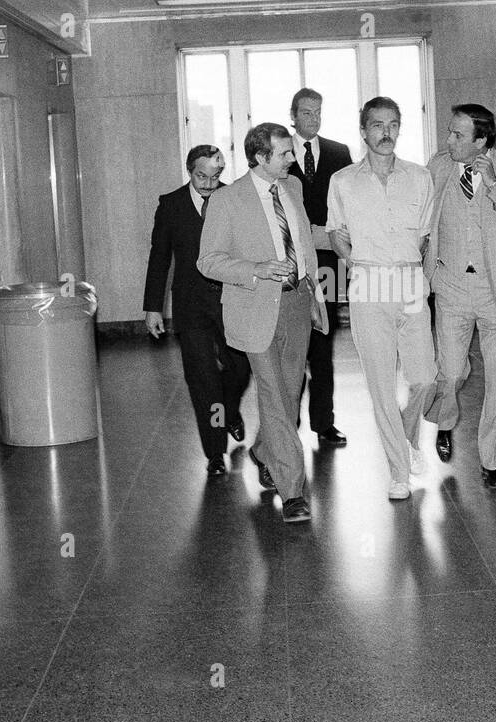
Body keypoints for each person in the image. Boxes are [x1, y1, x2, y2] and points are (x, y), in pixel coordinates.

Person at [198, 124, 329, 523]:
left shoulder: (292, 189)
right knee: (273, 394)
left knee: (289, 396)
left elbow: (304, 237)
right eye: (285, 154)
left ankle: (262, 451)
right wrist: (257, 269)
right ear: (260, 158)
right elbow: (208, 261)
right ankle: (293, 493)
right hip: (255, 308)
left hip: (297, 304)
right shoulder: (227, 200)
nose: (293, 160)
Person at [423, 104, 496, 489]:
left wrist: (494, 184)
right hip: (452, 287)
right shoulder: (437, 167)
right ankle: (445, 419)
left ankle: (493, 460)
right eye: (450, 132)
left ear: (481, 140)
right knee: (452, 371)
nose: (449, 141)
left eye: (458, 135)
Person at [327, 97, 437, 501]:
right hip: (369, 285)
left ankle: (408, 438)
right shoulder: (343, 181)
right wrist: (353, 260)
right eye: (377, 125)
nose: (385, 132)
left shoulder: (420, 177)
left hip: (409, 282)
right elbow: (336, 231)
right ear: (364, 131)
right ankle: (398, 472)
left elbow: (424, 235)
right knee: (381, 387)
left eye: (393, 124)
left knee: (425, 378)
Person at [143, 145, 250, 477]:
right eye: (201, 176)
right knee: (202, 380)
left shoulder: (233, 198)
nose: (208, 183)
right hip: (191, 306)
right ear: (189, 170)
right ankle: (215, 451)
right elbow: (159, 257)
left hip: (230, 301)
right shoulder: (171, 205)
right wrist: (152, 308)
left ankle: (230, 411)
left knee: (240, 369)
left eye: (215, 176)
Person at [287, 88, 353, 446]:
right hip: (291, 263)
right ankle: (288, 422)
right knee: (293, 345)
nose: (313, 119)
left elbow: (347, 204)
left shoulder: (338, 153)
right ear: (293, 115)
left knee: (323, 343)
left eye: (318, 112)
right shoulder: (280, 153)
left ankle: (324, 422)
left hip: (327, 260)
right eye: (307, 113)